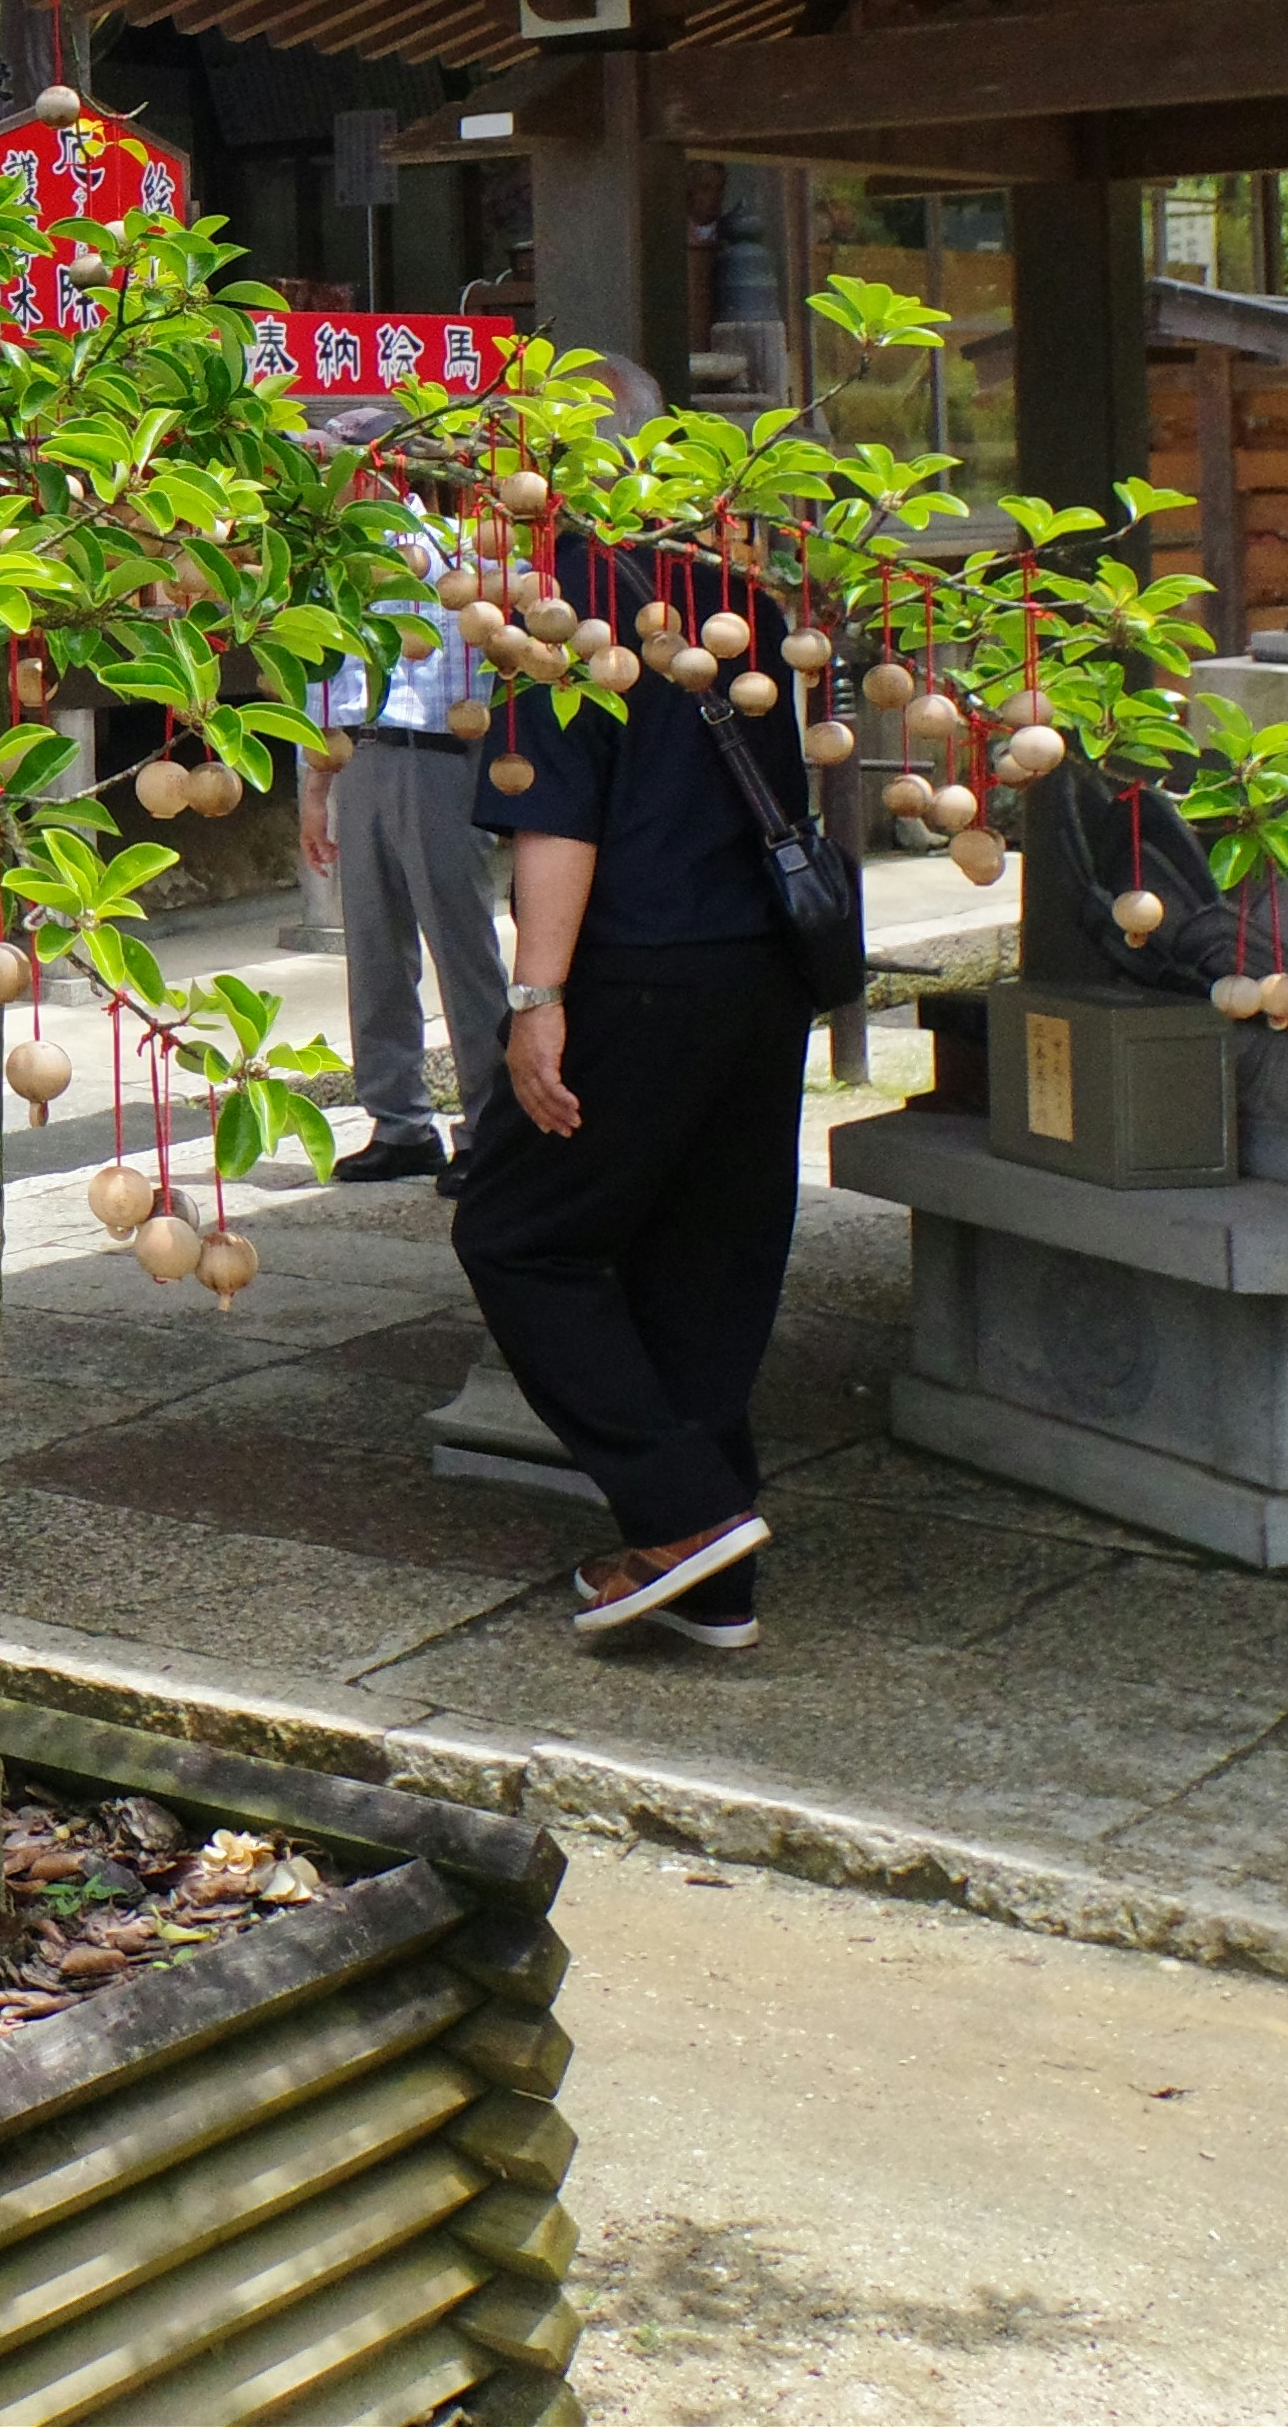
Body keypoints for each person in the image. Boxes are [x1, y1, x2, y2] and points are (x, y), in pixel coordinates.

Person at [452, 361, 824, 1654]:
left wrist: (536, 997)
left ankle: (683, 1514)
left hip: (638, 968)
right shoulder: (739, 590)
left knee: (516, 1231)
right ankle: (713, 1580)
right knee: (705, 1264)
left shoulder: (559, 601)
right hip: (761, 971)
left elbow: (560, 818)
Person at [299, 428, 502, 1187]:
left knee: (461, 946)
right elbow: (322, 680)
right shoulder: (333, 560)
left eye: (337, 466)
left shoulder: (454, 550)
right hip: (364, 754)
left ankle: (487, 1125)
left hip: (441, 758)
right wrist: (317, 790)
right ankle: (399, 1120)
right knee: (375, 949)